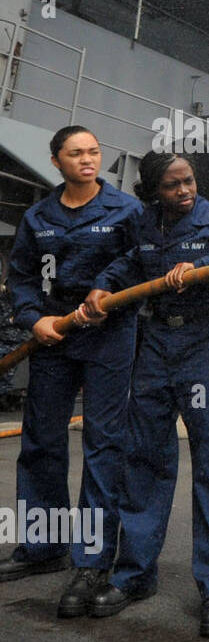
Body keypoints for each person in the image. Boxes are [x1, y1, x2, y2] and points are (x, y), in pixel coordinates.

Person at [81, 152, 209, 636]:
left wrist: (200, 265)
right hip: (157, 343)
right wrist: (102, 287)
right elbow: (128, 263)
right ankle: (134, 575)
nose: (185, 191)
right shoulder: (143, 223)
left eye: (189, 181)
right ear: (154, 191)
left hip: (204, 343)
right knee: (143, 460)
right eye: (173, 185)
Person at [0, 126, 142, 616]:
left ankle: (92, 561)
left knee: (103, 443)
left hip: (109, 333)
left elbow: (140, 262)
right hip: (55, 333)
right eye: (76, 153)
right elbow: (21, 276)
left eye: (94, 152)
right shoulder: (38, 217)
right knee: (41, 440)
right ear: (56, 161)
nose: (87, 160)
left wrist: (108, 291)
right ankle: (43, 547)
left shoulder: (126, 210)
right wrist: (32, 318)